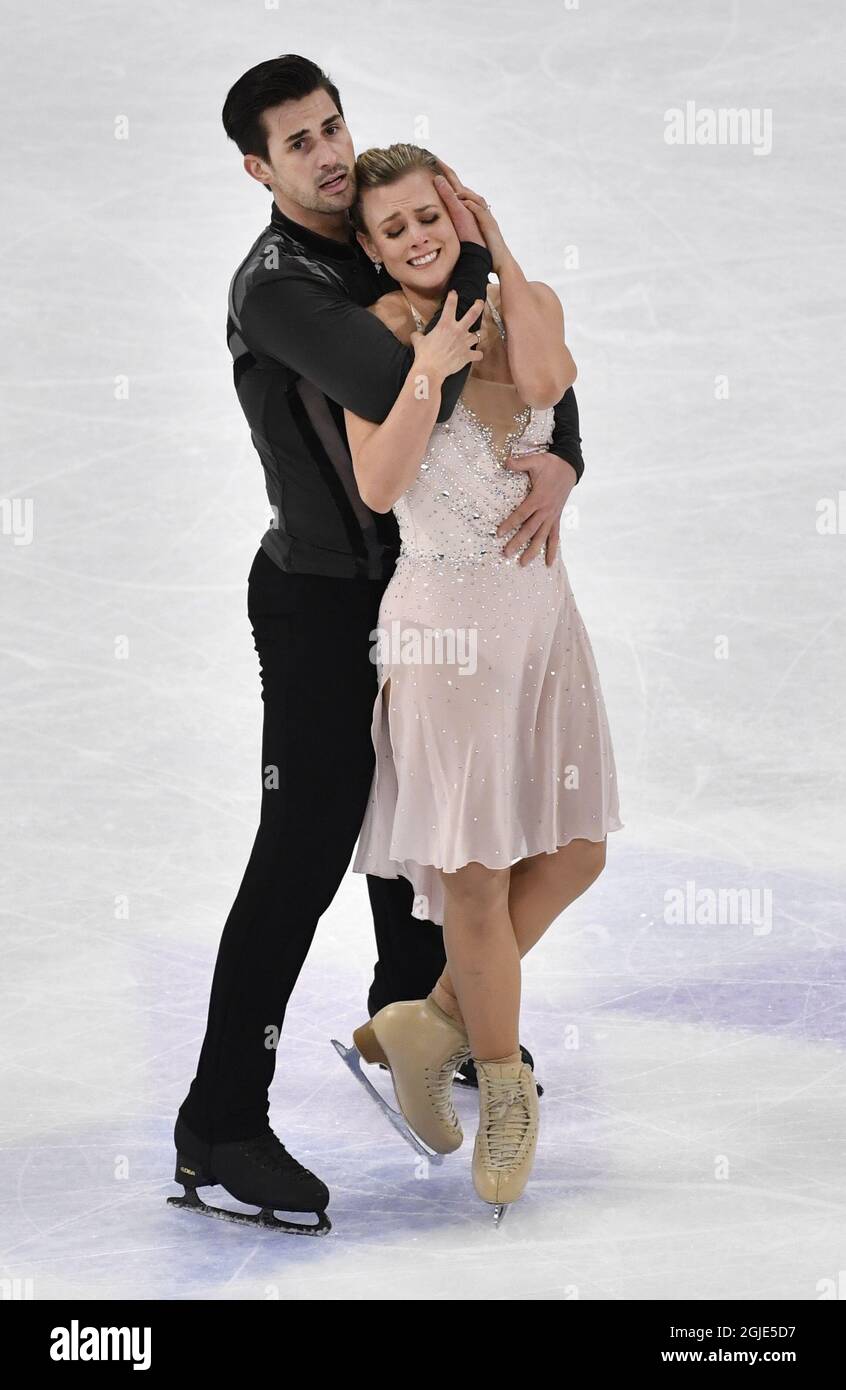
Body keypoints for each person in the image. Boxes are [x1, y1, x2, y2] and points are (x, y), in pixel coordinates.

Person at [168, 56, 587, 1235]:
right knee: (303, 853)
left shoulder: (377, 233)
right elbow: (404, 381)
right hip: (317, 603)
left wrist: (567, 454)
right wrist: (462, 277)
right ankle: (220, 1122)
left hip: (423, 594)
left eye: (332, 125)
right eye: (297, 142)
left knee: (438, 821)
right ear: (258, 168)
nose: (329, 151)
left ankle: (418, 1013)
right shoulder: (281, 286)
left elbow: (532, 371)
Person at [342, 144, 623, 1218]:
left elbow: (547, 384)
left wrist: (493, 249)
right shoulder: (380, 335)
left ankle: (431, 1020)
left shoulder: (523, 301)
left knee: (579, 849)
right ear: (370, 247)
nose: (418, 238)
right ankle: (504, 1096)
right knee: (472, 880)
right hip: (446, 631)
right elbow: (378, 483)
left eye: (431, 215)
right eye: (396, 228)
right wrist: (430, 361)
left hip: (542, 623)